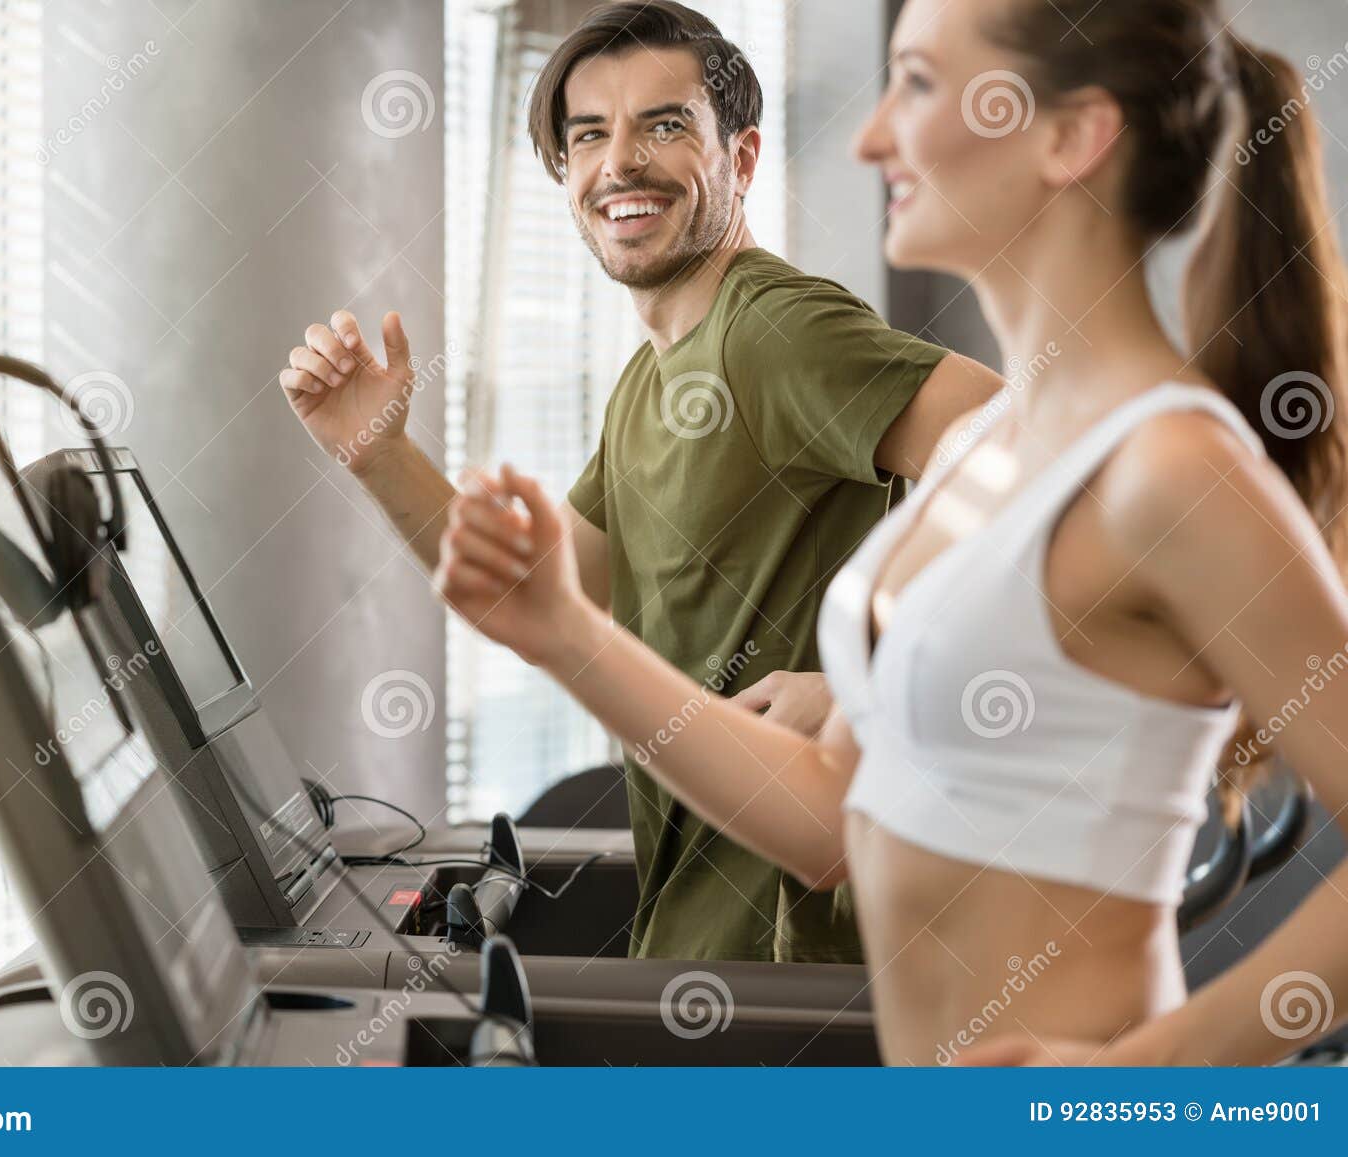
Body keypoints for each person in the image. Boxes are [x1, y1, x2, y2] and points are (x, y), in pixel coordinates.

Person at [435, 0, 1348, 1066]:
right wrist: (565, 635)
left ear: (1069, 134)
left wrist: (1151, 1072)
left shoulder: (1164, 467)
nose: (870, 137)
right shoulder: (985, 450)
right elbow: (828, 825)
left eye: (916, 84)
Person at [281, 1, 1002, 964]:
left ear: (740, 160)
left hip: (799, 970)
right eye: (590, 135)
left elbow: (1039, 461)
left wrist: (872, 686)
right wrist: (377, 450)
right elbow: (532, 594)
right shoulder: (652, 380)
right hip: (695, 934)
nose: (620, 162)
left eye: (664, 126)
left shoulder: (773, 330)